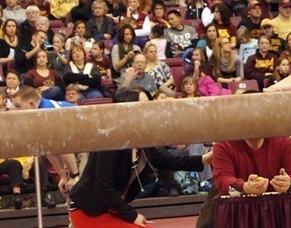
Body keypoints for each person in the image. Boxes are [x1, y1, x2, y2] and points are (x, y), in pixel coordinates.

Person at [68, 87, 208, 226]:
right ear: (128, 110)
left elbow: (165, 160)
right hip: (88, 209)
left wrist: (203, 159)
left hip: (111, 207)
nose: (150, 109)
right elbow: (103, 187)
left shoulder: (139, 138)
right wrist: (132, 215)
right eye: (144, 104)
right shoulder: (111, 139)